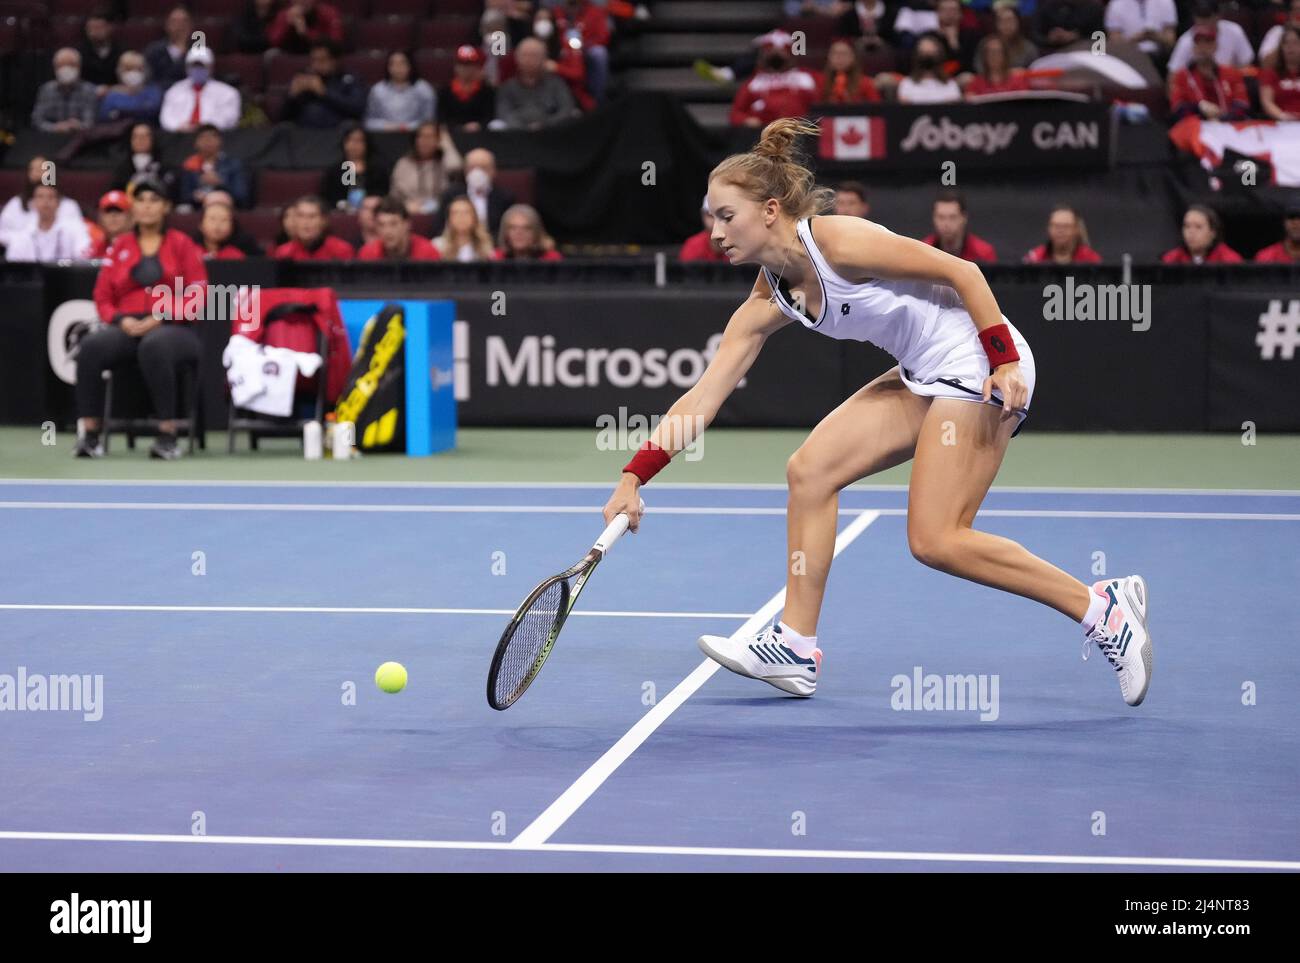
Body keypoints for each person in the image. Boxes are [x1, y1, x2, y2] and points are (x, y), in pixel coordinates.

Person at [602, 118, 1153, 707]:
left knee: (937, 539)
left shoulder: (836, 241)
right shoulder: (769, 297)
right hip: (924, 375)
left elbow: (962, 271)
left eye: (725, 216)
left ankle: (1103, 611)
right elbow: (703, 398)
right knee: (810, 470)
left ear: (768, 211)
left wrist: (1004, 360)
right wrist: (635, 474)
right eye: (710, 217)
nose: (715, 233)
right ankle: (794, 646)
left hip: (978, 363)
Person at [75, 177, 207, 460]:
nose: (147, 207)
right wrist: (120, 319)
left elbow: (198, 292)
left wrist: (163, 315)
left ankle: (167, 436)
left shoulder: (182, 244)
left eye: (154, 201)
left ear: (166, 207)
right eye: (141, 201)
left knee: (155, 345)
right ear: (133, 208)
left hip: (174, 328)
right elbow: (102, 296)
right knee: (91, 347)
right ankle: (90, 435)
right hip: (128, 324)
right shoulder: (120, 245)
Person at [729, 33, 821, 126]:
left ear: (791, 53)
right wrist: (747, 120)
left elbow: (823, 106)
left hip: (799, 131)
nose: (776, 54)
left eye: (782, 50)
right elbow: (736, 114)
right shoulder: (754, 82)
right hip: (763, 133)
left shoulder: (806, 78)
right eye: (770, 50)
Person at [0, 155, 88, 250]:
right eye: (33, 169)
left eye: (42, 168)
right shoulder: (15, 204)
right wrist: (24, 241)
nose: (38, 173)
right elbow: (2, 233)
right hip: (24, 257)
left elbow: (80, 239)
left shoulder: (69, 206)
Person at [494, 36, 580, 129]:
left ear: (544, 58)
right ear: (517, 58)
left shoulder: (556, 83)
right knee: (496, 125)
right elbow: (504, 112)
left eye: (534, 55)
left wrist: (545, 125)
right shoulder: (508, 86)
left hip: (551, 131)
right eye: (525, 55)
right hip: (517, 134)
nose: (529, 60)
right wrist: (524, 128)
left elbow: (566, 108)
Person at [1169, 26, 1249, 122]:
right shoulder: (1182, 76)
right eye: (1198, 43)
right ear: (1194, 47)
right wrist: (1199, 107)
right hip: (1197, 128)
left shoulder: (1232, 73)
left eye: (1208, 42)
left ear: (1216, 46)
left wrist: (1222, 119)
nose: (1203, 47)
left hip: (1228, 126)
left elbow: (1242, 106)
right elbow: (1178, 109)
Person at [431, 148, 515, 236]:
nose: (477, 172)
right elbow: (438, 228)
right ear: (465, 170)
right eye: (472, 167)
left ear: (493, 171)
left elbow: (506, 232)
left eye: (483, 167)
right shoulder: (451, 195)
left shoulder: (505, 198)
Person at [282, 41, 366, 129]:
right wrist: (291, 96)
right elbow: (282, 118)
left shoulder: (349, 79)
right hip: (304, 134)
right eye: (313, 60)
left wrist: (324, 92)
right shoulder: (305, 76)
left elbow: (357, 109)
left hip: (336, 133)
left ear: (335, 61)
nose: (316, 65)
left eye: (322, 60)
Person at [159, 47, 242, 132]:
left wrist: (203, 127)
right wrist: (179, 127)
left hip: (214, 136)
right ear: (187, 68)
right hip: (180, 137)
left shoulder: (228, 93)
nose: (197, 70)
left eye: (202, 66)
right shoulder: (174, 91)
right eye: (194, 66)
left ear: (211, 67)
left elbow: (229, 119)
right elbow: (166, 118)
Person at [389, 121, 463, 216]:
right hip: (409, 213)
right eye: (421, 136)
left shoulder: (445, 162)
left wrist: (447, 143)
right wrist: (405, 206)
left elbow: (456, 167)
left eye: (430, 137)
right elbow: (394, 196)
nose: (425, 141)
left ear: (438, 140)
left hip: (440, 214)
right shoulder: (403, 164)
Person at [3, 183, 92, 262]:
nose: (46, 201)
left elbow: (84, 259)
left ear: (58, 203)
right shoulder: (22, 236)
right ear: (33, 203)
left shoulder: (74, 228)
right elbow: (13, 267)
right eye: (40, 196)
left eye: (50, 197)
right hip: (32, 279)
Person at [1167, 0, 1254, 73]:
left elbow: (1246, 64)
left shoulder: (1234, 31)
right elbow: (1174, 75)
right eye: (1200, 20)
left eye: (1208, 19)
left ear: (1218, 16)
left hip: (1228, 86)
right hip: (1197, 89)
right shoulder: (1186, 41)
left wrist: (1227, 77)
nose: (1204, 25)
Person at [179, 124, 250, 209]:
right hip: (197, 209)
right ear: (195, 143)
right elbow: (182, 196)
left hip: (225, 208)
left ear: (220, 141)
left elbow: (241, 195)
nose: (207, 141)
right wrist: (195, 196)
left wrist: (220, 183)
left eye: (212, 137)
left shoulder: (233, 164)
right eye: (203, 137)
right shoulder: (189, 165)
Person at [364, 51, 436, 132]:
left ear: (410, 65)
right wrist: (387, 126)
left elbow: (429, 122)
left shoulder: (424, 89)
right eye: (393, 64)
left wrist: (406, 127)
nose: (398, 68)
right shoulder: (377, 90)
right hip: (384, 135)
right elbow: (369, 122)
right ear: (388, 67)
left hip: (416, 136)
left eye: (402, 63)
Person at [32, 49, 98, 133]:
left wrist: (78, 126)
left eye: (71, 65)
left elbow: (91, 123)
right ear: (55, 68)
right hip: (51, 139)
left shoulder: (89, 90)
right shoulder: (46, 90)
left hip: (79, 139)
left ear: (79, 68)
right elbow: (37, 121)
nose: (66, 69)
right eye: (61, 65)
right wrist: (55, 127)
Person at [357, 196, 441, 261]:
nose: (387, 231)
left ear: (407, 224)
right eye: (381, 225)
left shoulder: (428, 253)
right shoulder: (367, 254)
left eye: (393, 224)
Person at [922, 190, 997, 262]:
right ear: (934, 218)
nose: (946, 223)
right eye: (941, 217)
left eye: (952, 217)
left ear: (964, 218)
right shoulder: (923, 251)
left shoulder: (983, 253)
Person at [110, 123, 179, 200]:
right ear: (130, 140)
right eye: (136, 136)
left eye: (145, 136)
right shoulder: (122, 169)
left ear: (153, 139)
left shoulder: (164, 167)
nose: (141, 140)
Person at [273, 195, 354, 259]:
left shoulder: (342, 250)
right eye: (300, 216)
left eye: (312, 216)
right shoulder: (283, 253)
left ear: (324, 221)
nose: (306, 222)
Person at [438, 44, 496, 132]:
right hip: (452, 133)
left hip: (481, 133)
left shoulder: (486, 90)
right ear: (456, 67)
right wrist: (458, 127)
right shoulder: (446, 90)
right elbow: (441, 117)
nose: (466, 69)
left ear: (476, 67)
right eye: (462, 64)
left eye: (470, 64)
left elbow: (490, 115)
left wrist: (479, 125)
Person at [98, 51, 163, 125]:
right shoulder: (112, 96)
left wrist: (120, 111)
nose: (133, 73)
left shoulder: (153, 92)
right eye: (129, 69)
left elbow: (152, 111)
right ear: (120, 71)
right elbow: (105, 118)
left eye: (138, 69)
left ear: (144, 71)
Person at [1161, 204, 1242, 263]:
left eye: (1198, 227)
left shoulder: (1229, 260)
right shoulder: (1171, 259)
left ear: (1213, 232)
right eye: (1187, 226)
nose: (1191, 232)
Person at [1022, 205, 1102, 263]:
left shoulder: (1090, 259)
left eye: (1066, 226)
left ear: (1076, 230)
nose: (1060, 231)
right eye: (1056, 226)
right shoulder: (1034, 258)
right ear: (1049, 228)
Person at [896, 32, 962, 103]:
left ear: (939, 56)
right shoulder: (907, 84)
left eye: (931, 53)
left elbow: (954, 108)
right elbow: (904, 109)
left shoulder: (950, 84)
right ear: (917, 56)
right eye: (924, 53)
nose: (927, 54)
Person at [145, 6, 197, 89]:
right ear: (167, 25)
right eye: (175, 21)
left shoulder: (199, 51)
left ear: (191, 25)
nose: (180, 26)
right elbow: (149, 80)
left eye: (184, 21)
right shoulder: (154, 51)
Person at [267, 0, 344, 54]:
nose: (301, 1)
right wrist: (287, 24)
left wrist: (305, 32)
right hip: (290, 54)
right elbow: (273, 41)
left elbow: (336, 41)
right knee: (271, 54)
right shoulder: (285, 14)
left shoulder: (328, 13)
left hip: (320, 55)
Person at [432, 195, 496, 261]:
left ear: (475, 218)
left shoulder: (486, 246)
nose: (461, 217)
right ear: (449, 219)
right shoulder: (438, 245)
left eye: (466, 212)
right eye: (455, 213)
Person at [819, 38, 881, 103]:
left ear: (853, 57)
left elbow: (877, 110)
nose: (839, 57)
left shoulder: (865, 83)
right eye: (835, 53)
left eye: (844, 54)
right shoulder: (820, 82)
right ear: (829, 57)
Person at [1259, 25, 1300, 122]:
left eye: (1295, 43)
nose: (1290, 47)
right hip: (1281, 124)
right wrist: (1283, 116)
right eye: (1286, 43)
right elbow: (1267, 102)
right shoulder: (1270, 73)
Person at [493, 203, 562, 259]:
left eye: (526, 228)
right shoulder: (496, 258)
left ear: (536, 233)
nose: (519, 233)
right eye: (513, 228)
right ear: (505, 232)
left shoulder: (551, 259)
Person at [79, 11, 123, 89]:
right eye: (91, 28)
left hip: (117, 93)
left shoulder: (122, 51)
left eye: (98, 28)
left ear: (110, 27)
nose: (94, 32)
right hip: (87, 95)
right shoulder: (79, 52)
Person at [679, 196, 729, 262]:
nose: (715, 220)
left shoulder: (741, 246)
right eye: (710, 215)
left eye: (721, 215)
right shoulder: (693, 247)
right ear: (702, 215)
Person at [89, 190, 133, 258]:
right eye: (108, 211)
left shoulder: (139, 246)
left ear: (130, 217)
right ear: (100, 217)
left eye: (119, 210)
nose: (113, 215)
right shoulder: (95, 248)